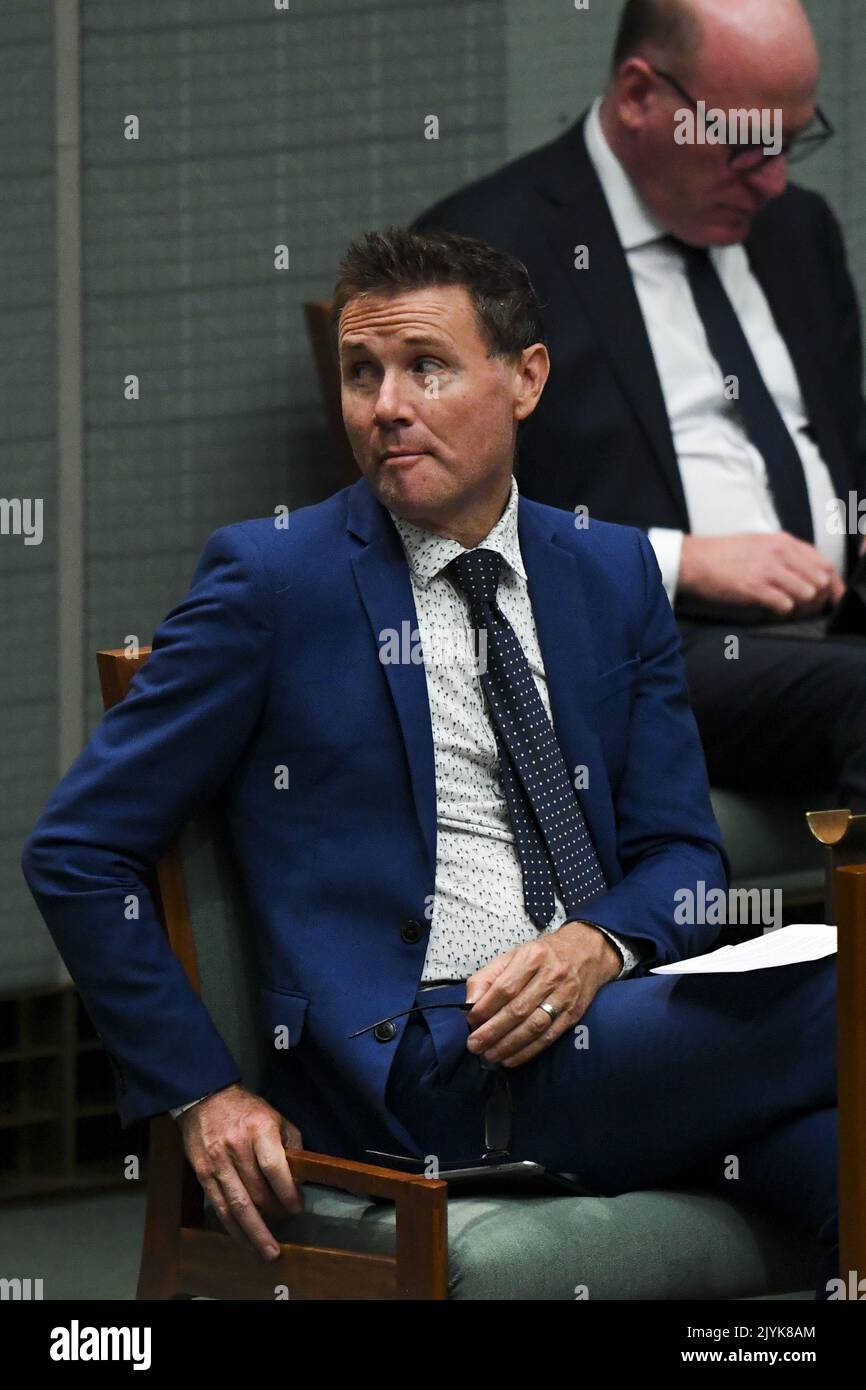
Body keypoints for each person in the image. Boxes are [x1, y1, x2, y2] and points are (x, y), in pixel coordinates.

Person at [21, 228, 837, 1296]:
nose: (384, 406)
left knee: (841, 1164)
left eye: (426, 367)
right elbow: (77, 850)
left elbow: (682, 853)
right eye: (361, 374)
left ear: (525, 378)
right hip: (428, 1063)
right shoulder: (273, 582)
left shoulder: (604, 571)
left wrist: (595, 944)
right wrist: (200, 1091)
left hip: (611, 1025)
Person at [413, 0, 866, 811]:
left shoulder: (797, 231)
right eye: (745, 144)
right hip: (642, 646)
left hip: (835, 623)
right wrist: (683, 560)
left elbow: (850, 449)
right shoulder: (484, 256)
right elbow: (449, 524)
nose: (773, 179)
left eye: (791, 143)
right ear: (638, 95)